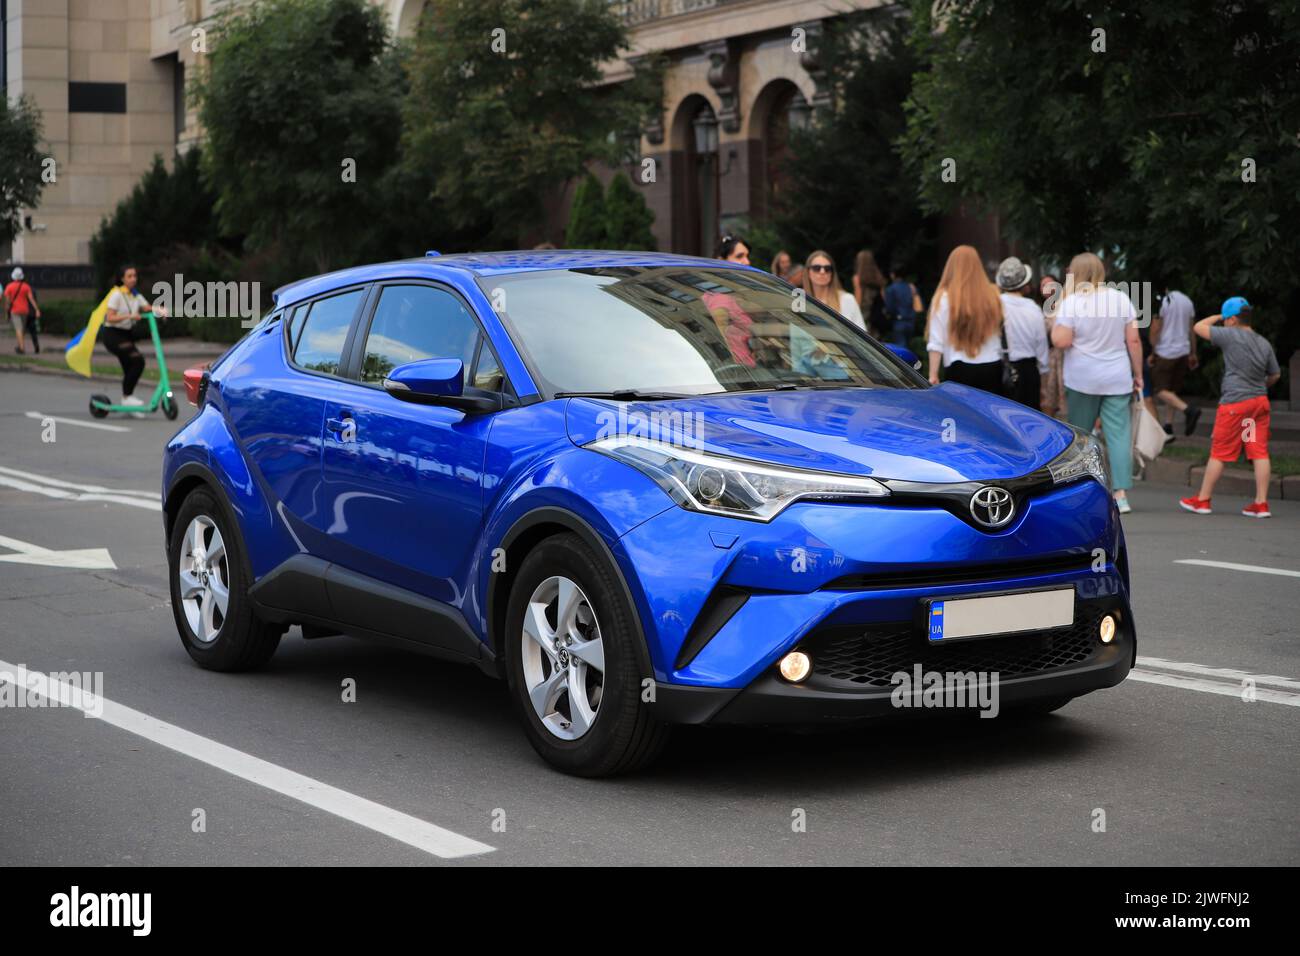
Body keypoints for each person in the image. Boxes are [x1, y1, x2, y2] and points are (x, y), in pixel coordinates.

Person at [1050, 252, 1142, 514]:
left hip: (1083, 378)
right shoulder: (1121, 298)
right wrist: (1138, 374)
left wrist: (1056, 325)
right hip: (1117, 376)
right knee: (1119, 435)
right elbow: (1133, 341)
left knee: (1080, 435)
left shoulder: (1071, 302)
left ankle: (1080, 489)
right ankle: (1121, 494)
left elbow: (1062, 341)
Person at [1179, 297, 1281, 518]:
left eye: (1226, 320)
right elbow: (1275, 374)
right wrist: (1259, 386)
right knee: (1258, 450)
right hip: (1258, 405)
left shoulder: (1230, 335)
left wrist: (1218, 316)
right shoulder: (1263, 342)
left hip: (1235, 405)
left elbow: (1198, 327)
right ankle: (1261, 503)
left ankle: (1203, 500)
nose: (1223, 323)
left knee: (1220, 452)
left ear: (1233, 319)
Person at [925, 245, 1003, 393]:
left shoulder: (943, 298)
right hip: (992, 365)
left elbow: (936, 342)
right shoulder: (993, 295)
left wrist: (933, 374)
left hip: (959, 367)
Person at [103, 265, 168, 415]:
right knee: (138, 361)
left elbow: (146, 307)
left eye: (134, 276)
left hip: (126, 334)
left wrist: (160, 310)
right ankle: (127, 398)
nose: (133, 279)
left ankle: (127, 400)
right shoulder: (117, 294)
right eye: (129, 276)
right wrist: (130, 316)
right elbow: (110, 317)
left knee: (130, 365)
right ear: (122, 279)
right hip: (112, 335)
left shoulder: (135, 295)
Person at [1148, 284, 1201, 438]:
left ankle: (1188, 410)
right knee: (1171, 391)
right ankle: (1168, 425)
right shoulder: (1187, 301)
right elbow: (1192, 330)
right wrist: (1193, 353)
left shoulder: (1163, 301)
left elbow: (1156, 328)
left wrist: (1153, 352)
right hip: (1183, 351)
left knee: (1160, 390)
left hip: (1165, 351)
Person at [995, 257, 1049, 408]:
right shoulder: (1033, 308)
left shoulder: (994, 304)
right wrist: (1043, 370)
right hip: (1028, 370)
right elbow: (1041, 343)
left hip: (1000, 368)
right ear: (1024, 282)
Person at [802, 250, 864, 330]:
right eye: (816, 268)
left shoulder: (847, 299)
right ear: (808, 272)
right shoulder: (800, 301)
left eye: (827, 268)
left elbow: (862, 333)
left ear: (832, 273)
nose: (822, 272)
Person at [1039, 272, 1066, 416]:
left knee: (1061, 391)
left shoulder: (1063, 304)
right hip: (1048, 356)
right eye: (1043, 285)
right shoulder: (1042, 307)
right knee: (1048, 393)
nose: (1046, 288)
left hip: (1062, 355)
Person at [4, 267, 42, 354]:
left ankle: (21, 348)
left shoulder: (9, 286)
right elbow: (31, 299)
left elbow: (7, 301)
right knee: (22, 330)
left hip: (15, 311)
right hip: (25, 311)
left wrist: (7, 311)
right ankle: (20, 346)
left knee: (18, 329)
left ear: (13, 276)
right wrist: (37, 310)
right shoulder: (26, 286)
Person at [852, 250, 888, 337]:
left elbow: (858, 300)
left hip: (864, 313)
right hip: (875, 314)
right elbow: (884, 299)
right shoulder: (879, 279)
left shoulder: (857, 279)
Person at [883, 266, 922, 346]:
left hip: (898, 321)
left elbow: (889, 308)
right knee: (908, 345)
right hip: (911, 321)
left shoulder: (891, 289)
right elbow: (919, 306)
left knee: (900, 347)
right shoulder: (911, 287)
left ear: (893, 275)